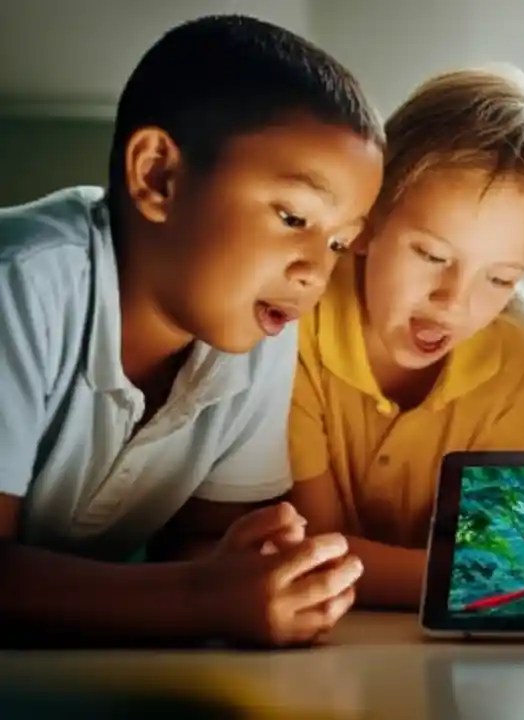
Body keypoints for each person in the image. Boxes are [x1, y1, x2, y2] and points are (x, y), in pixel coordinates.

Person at [0, 14, 385, 646]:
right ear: (158, 176)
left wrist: (257, 574)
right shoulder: (24, 281)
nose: (316, 270)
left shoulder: (258, 336)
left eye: (340, 242)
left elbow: (205, 540)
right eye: (294, 217)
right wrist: (202, 597)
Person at [288, 68, 524, 608]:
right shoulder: (296, 325)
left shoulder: (514, 366)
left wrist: (484, 580)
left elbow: (490, 559)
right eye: (433, 256)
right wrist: (475, 583)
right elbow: (314, 556)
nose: (455, 301)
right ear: (366, 224)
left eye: (500, 279)